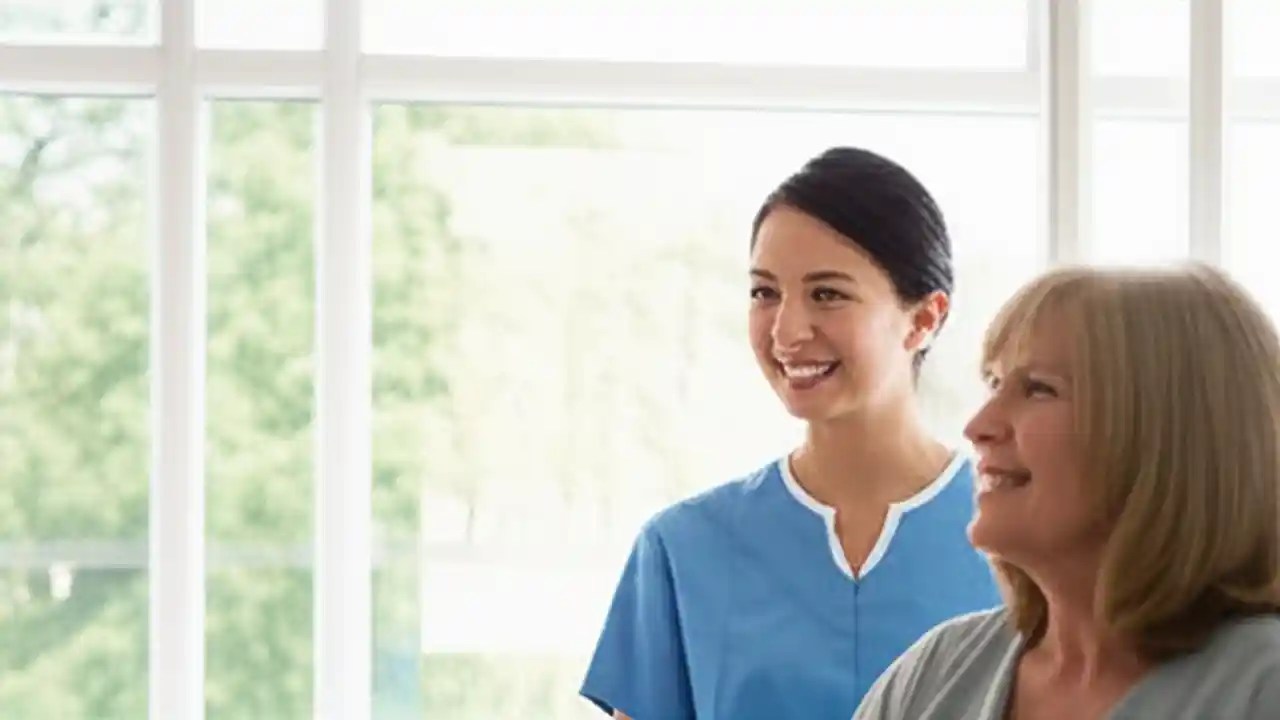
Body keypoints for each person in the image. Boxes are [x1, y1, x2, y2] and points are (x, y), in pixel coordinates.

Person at [580, 147, 1001, 720]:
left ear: (924, 318)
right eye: (765, 293)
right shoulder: (682, 551)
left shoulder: (1023, 542)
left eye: (827, 293)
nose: (786, 330)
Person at [854, 264, 1280, 720]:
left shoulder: (1262, 689)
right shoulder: (934, 674)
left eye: (1038, 389)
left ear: (1167, 436)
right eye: (995, 384)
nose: (978, 427)